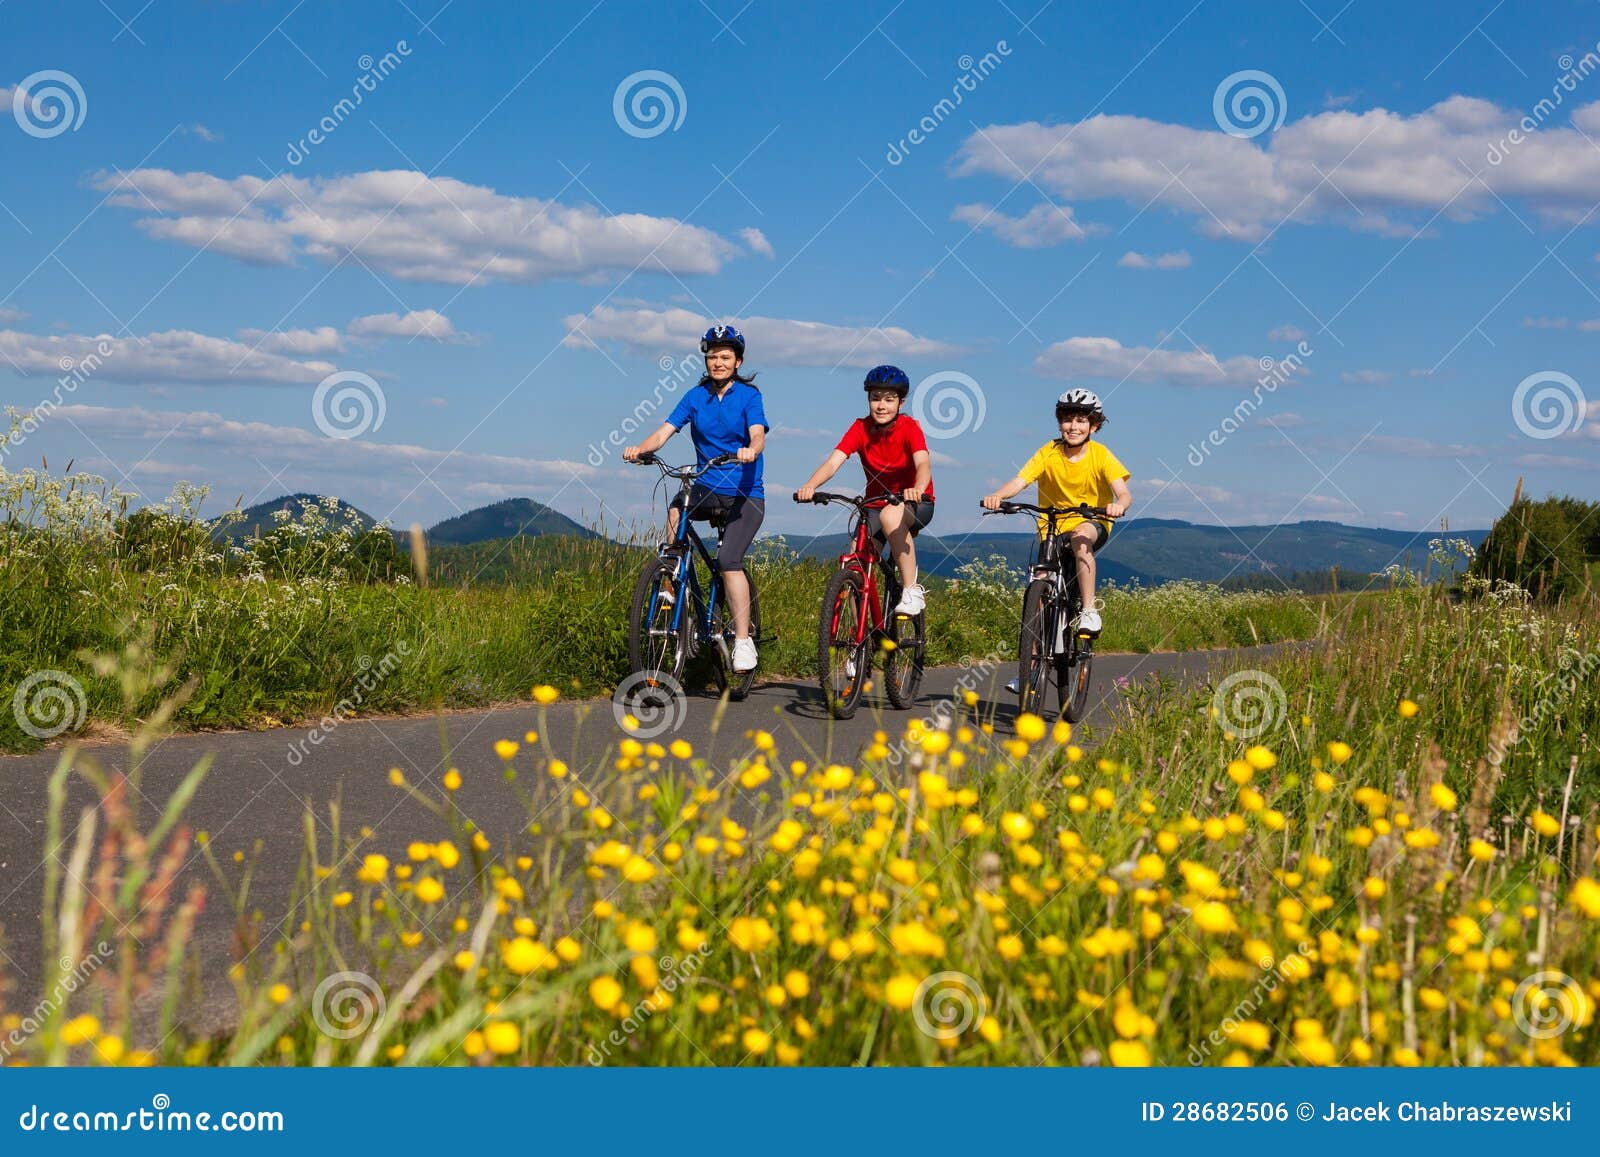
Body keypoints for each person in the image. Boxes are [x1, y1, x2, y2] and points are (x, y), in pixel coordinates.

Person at [623, 323, 766, 673]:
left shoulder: (749, 396)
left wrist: (751, 450)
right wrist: (641, 449)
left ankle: (744, 641)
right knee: (677, 509)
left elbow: (758, 435)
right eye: (713, 356)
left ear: (738, 360)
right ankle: (671, 576)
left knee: (729, 561)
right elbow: (665, 431)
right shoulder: (694, 396)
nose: (718, 362)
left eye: (725, 357)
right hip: (707, 485)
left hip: (744, 494)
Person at [983, 387, 1131, 648]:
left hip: (1092, 521)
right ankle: (1030, 668)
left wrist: (1118, 505)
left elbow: (1123, 493)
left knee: (1081, 538)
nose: (1073, 426)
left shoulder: (1101, 455)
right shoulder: (1048, 452)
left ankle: (1088, 611)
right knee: (1038, 587)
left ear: (1093, 427)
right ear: (1059, 422)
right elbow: (1020, 481)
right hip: (1053, 525)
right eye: (1067, 419)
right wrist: (997, 496)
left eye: (1081, 420)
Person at [795, 364, 934, 615]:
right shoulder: (860, 428)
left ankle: (912, 590)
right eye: (875, 398)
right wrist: (810, 485)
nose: (881, 405)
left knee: (891, 516)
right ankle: (857, 643)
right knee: (855, 565)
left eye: (889, 400)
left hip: (915, 502)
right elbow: (834, 461)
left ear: (901, 403)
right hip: (875, 504)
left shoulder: (910, 427)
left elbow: (923, 462)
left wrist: (917, 488)